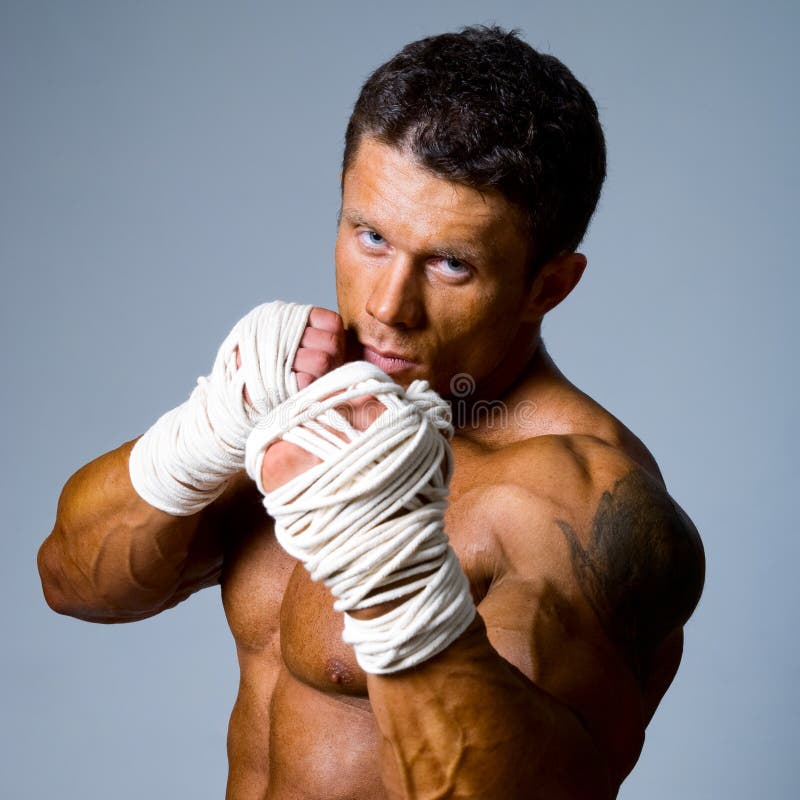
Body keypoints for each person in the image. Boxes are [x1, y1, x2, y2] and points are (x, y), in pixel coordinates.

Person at [37, 25, 705, 800]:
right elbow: (71, 584)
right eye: (371, 236)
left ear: (547, 287)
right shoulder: (306, 405)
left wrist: (395, 575)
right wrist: (204, 432)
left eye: (453, 264)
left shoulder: (577, 499)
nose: (388, 307)